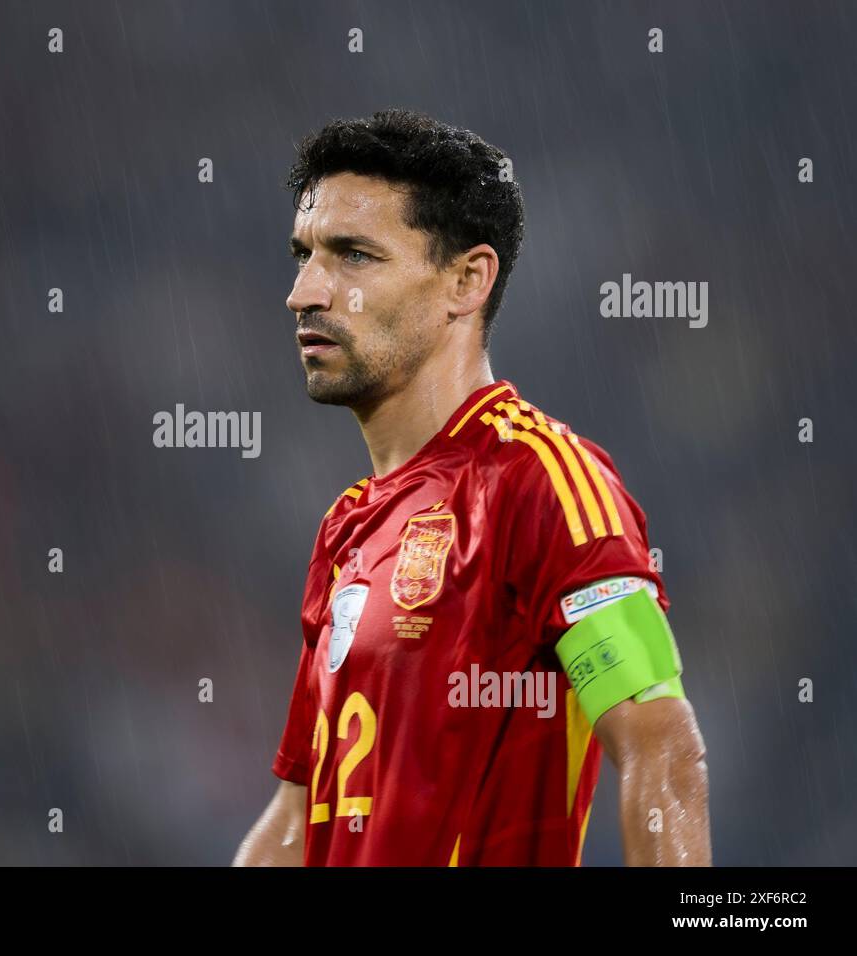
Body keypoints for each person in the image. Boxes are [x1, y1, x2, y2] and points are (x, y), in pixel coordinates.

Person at [234, 110, 710, 866]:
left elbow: (664, 748)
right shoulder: (345, 531)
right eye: (304, 255)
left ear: (466, 280)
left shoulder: (543, 483)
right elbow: (298, 823)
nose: (305, 292)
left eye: (354, 256)